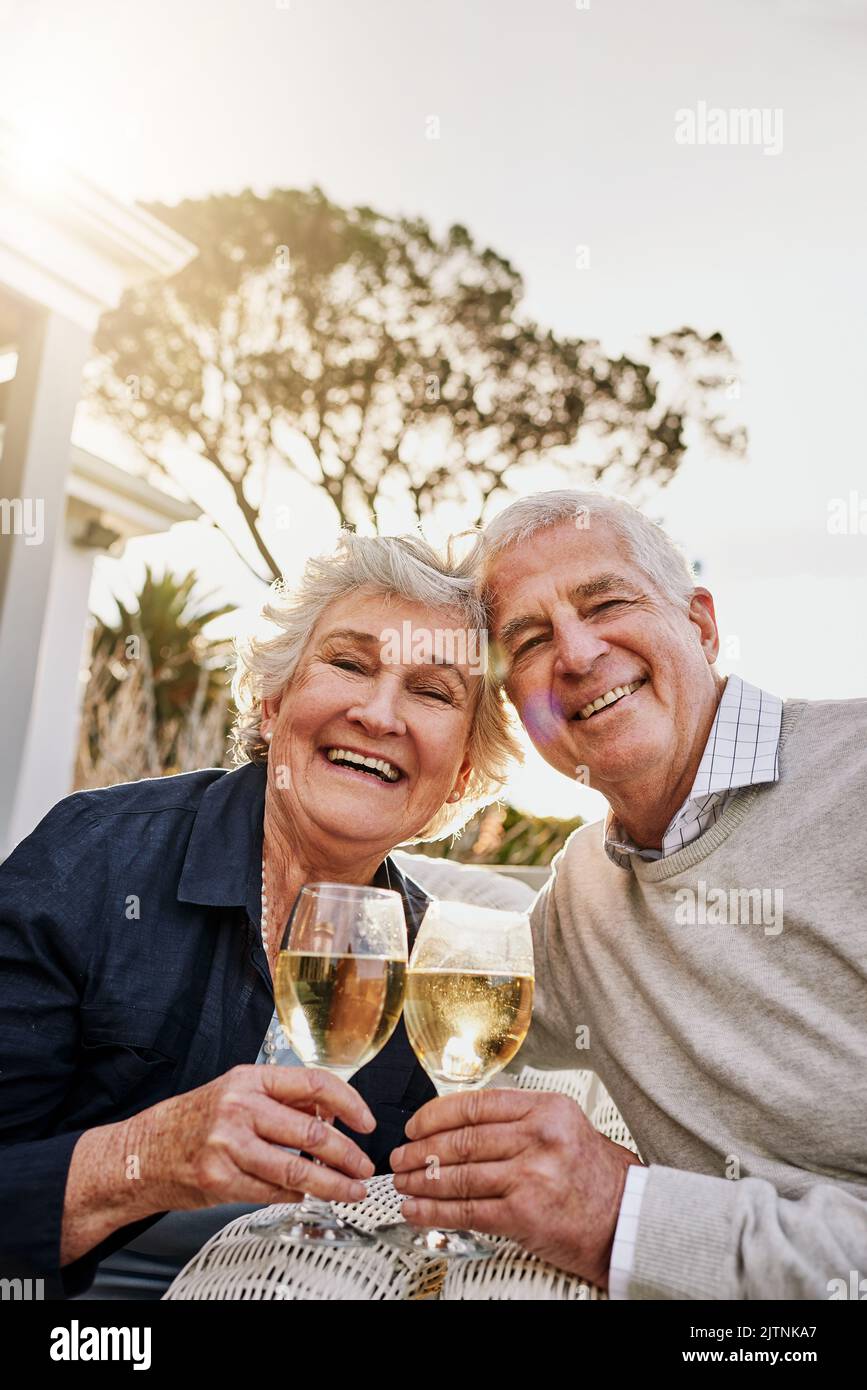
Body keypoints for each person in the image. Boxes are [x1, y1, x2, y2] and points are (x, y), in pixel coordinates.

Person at [0, 531, 519, 1299]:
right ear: (274, 704)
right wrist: (145, 1158)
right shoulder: (95, 860)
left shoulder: (433, 967)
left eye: (432, 692)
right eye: (348, 663)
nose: (378, 713)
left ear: (460, 777)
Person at [390, 489, 867, 1299]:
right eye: (530, 641)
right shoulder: (583, 893)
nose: (575, 656)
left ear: (703, 625)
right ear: (519, 709)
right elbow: (423, 984)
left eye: (605, 601)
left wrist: (625, 1218)